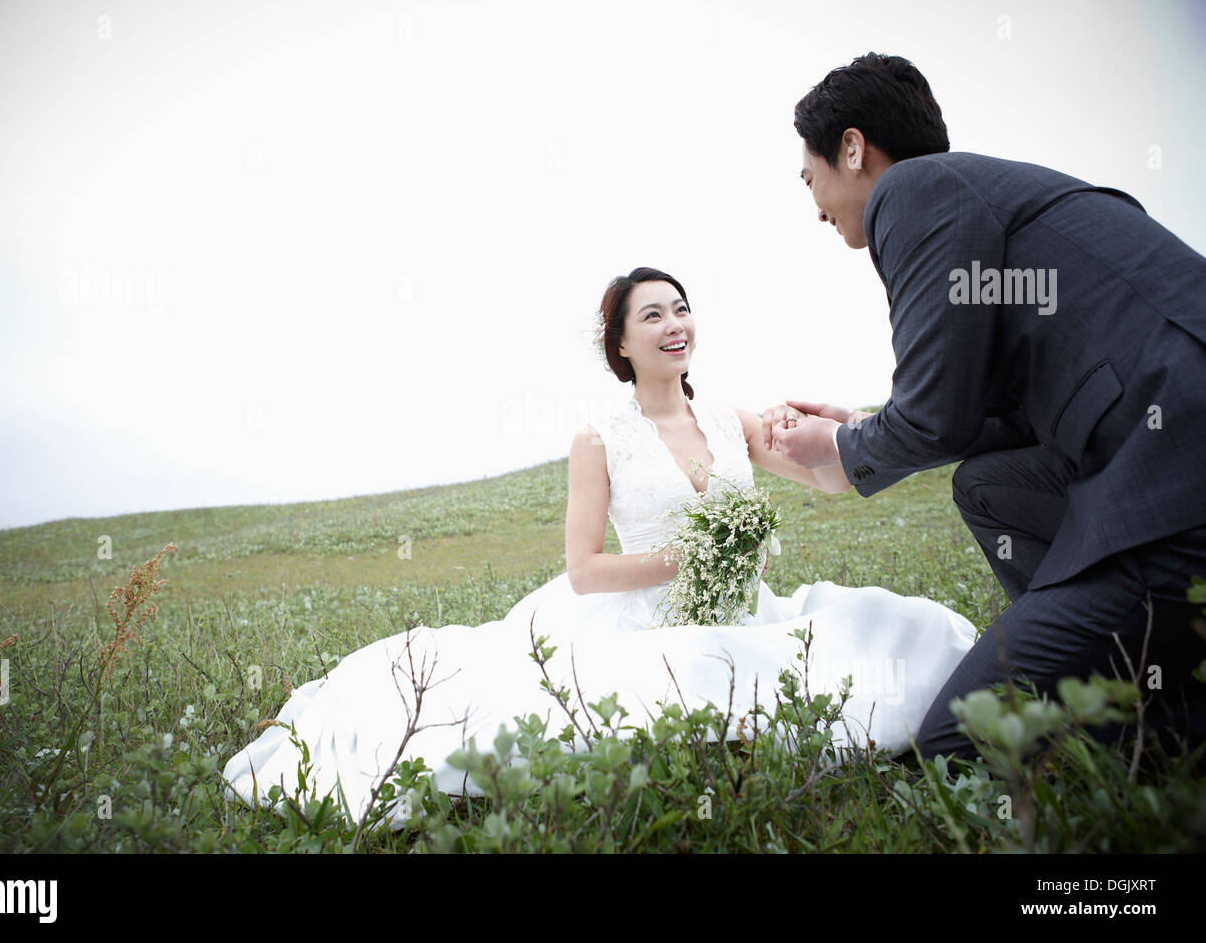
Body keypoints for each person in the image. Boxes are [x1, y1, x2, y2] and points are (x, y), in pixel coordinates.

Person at [221, 267, 981, 828]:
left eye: (682, 308)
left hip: (747, 606)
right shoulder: (599, 438)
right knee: (662, 682)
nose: (675, 323)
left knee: (914, 630)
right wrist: (689, 560)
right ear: (621, 343)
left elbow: (833, 484)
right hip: (639, 616)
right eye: (653, 315)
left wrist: (847, 425)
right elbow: (584, 572)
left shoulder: (732, 418)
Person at [768, 52, 1206, 764]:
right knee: (985, 484)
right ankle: (1126, 677)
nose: (814, 203)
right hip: (1146, 451)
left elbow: (934, 416)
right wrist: (860, 426)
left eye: (809, 175)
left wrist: (839, 453)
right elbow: (966, 408)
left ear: (853, 149)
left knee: (946, 752)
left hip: (1172, 472)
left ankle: (1130, 696)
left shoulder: (914, 190)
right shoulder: (981, 192)